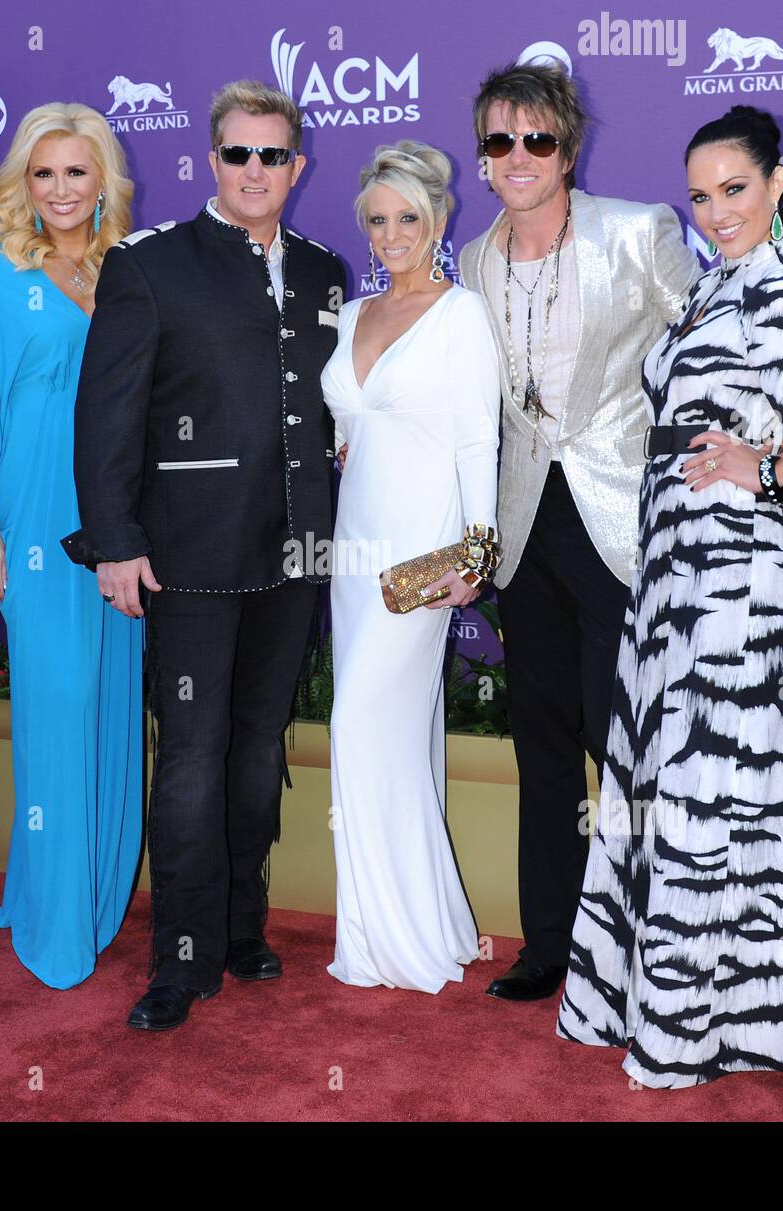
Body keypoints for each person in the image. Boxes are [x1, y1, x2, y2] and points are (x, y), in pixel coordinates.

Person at [555, 106, 783, 1088]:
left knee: (717, 789)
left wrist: (769, 470)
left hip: (740, 576)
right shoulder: (717, 290)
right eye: (701, 195)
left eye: (735, 189)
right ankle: (681, 996)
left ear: (778, 182)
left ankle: (703, 1018)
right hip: (678, 568)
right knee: (674, 782)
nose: (716, 211)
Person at [64, 80, 346, 1031]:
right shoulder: (151, 265)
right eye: (238, 155)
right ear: (210, 161)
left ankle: (238, 927)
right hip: (185, 555)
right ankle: (178, 961)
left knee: (258, 750)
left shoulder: (322, 270)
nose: (256, 171)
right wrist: (113, 541)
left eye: (274, 156)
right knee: (190, 756)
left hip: (293, 550)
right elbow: (106, 412)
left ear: (297, 166)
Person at [458, 62, 700, 1003]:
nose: (517, 157)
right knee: (543, 738)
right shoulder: (474, 259)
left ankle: (652, 941)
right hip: (525, 527)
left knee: (627, 736)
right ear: (481, 158)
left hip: (624, 517)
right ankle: (551, 943)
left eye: (537, 140)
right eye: (498, 141)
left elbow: (702, 349)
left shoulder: (638, 231)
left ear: (569, 148)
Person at [0, 103, 144, 989]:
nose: (61, 190)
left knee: (108, 707)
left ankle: (92, 894)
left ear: (103, 178)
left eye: (77, 171)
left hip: (121, 524)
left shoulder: (131, 270)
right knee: (57, 711)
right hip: (32, 521)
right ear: (22, 184)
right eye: (43, 173)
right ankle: (57, 919)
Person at [321, 141, 500, 994]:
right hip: (353, 550)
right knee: (389, 736)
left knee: (362, 723)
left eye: (408, 219)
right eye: (378, 220)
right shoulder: (352, 314)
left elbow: (476, 438)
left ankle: (394, 937)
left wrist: (479, 549)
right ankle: (401, 925)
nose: (392, 234)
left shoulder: (462, 315)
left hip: (421, 554)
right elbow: (350, 429)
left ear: (439, 223)